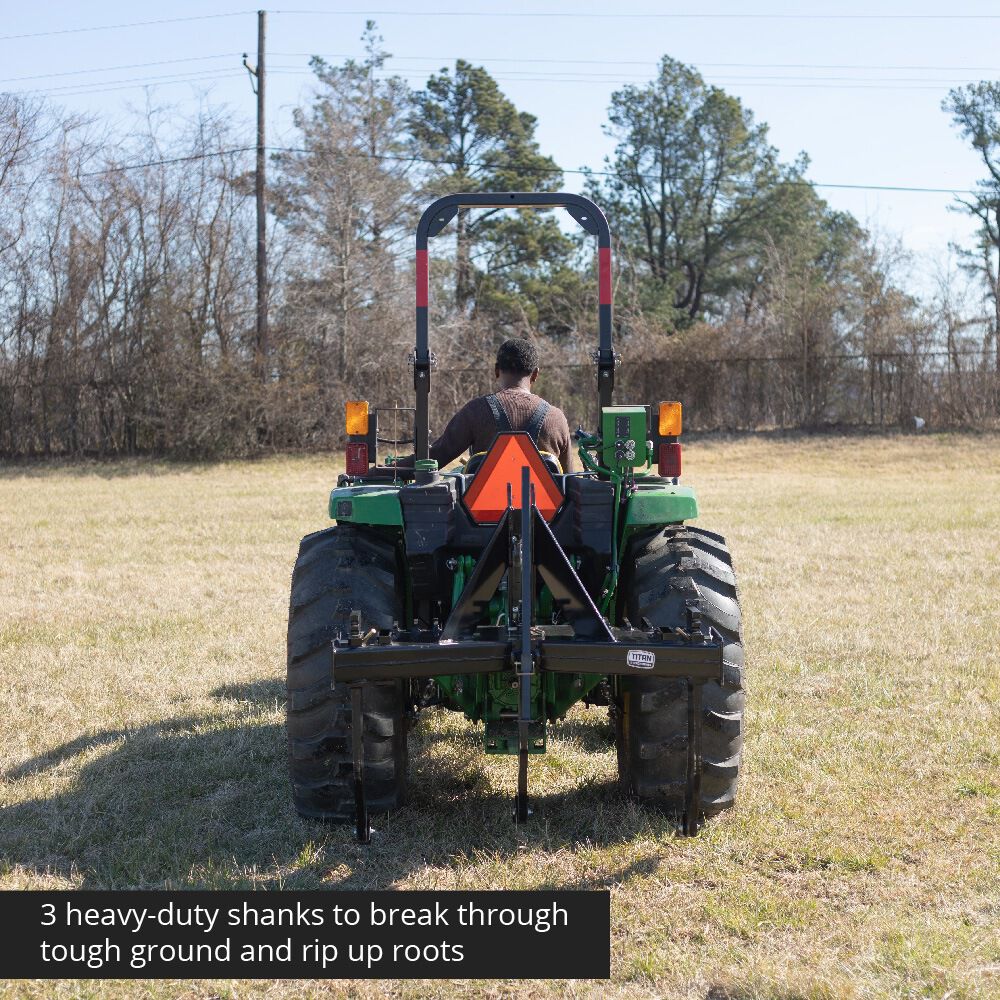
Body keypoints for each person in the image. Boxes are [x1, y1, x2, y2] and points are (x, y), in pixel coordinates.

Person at [417, 339, 573, 473]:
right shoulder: (556, 418)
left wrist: (401, 466)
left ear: (496, 370)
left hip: (484, 501)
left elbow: (434, 458)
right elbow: (569, 480)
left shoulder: (475, 411)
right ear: (535, 374)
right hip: (542, 501)